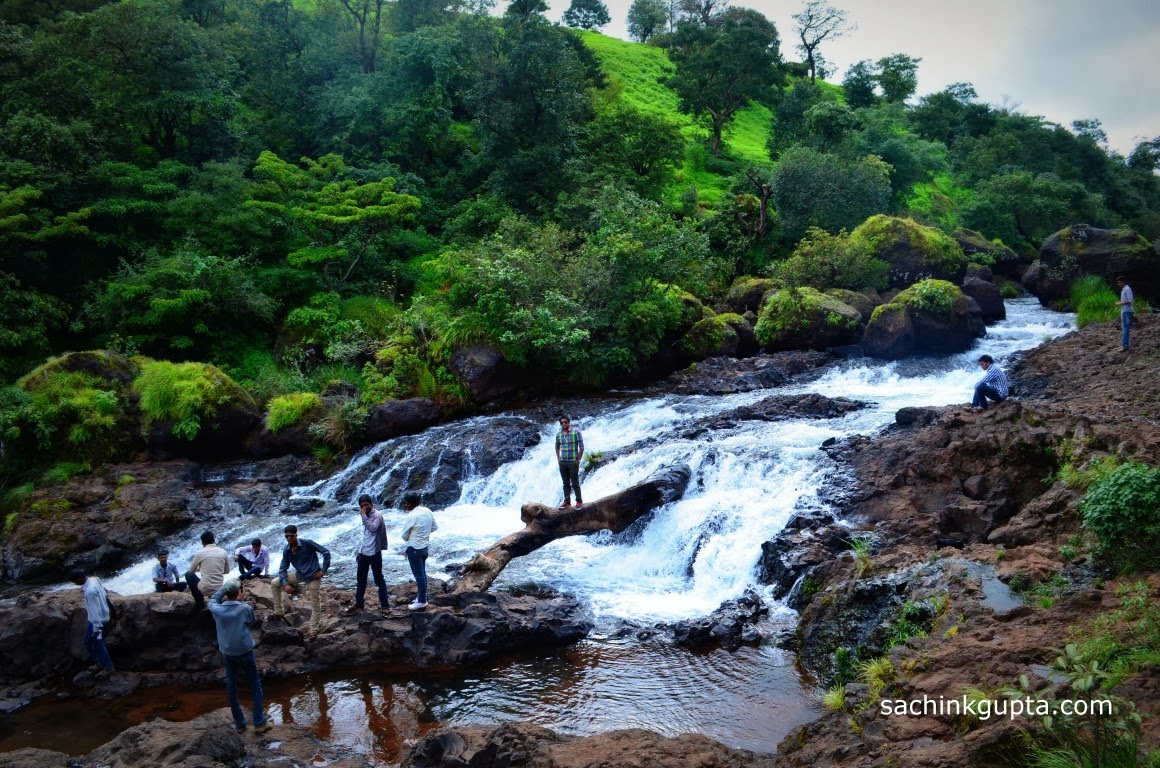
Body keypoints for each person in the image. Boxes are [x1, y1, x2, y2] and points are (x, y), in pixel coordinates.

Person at [208, 579, 271, 734]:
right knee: (255, 683)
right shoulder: (244, 608)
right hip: (244, 651)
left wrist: (223, 588)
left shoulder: (217, 608)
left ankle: (240, 724)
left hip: (227, 652)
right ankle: (259, 722)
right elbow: (251, 623)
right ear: (239, 592)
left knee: (231, 685)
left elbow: (212, 600)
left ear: (226, 594)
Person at [271, 525, 331, 635]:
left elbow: (326, 552)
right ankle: (279, 611)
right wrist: (285, 584)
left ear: (296, 535)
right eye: (287, 536)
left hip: (314, 576)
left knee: (315, 601)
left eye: (291, 536)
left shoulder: (307, 543)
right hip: (300, 575)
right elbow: (283, 567)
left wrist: (323, 570)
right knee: (275, 582)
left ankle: (313, 629)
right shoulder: (287, 550)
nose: (289, 538)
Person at [69, 568, 114, 674]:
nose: (74, 584)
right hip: (100, 618)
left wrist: (97, 627)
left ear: (80, 578)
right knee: (88, 641)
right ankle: (100, 663)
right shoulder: (94, 579)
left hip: (98, 622)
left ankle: (108, 667)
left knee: (98, 643)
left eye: (75, 581)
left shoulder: (90, 591)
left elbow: (95, 610)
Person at [351, 494, 390, 615]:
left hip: (375, 552)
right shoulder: (366, 515)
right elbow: (365, 535)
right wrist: (359, 551)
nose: (364, 507)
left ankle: (385, 606)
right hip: (364, 552)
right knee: (361, 579)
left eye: (366, 505)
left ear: (371, 504)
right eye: (362, 506)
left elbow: (373, 528)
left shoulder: (377, 515)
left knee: (379, 579)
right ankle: (359, 603)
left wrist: (362, 515)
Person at [399, 492, 437, 610]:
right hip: (424, 548)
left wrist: (415, 536)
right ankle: (422, 597)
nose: (405, 505)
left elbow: (404, 536)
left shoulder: (411, 516)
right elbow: (435, 527)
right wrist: (423, 534)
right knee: (422, 574)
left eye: (406, 503)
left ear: (412, 503)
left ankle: (421, 601)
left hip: (414, 549)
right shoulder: (427, 511)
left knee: (419, 576)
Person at [186, 530, 231, 610]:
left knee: (188, 575)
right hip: (219, 588)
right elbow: (227, 571)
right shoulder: (223, 552)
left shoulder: (199, 553)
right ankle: (214, 599)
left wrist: (200, 568)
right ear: (214, 540)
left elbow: (191, 571)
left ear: (202, 542)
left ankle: (200, 602)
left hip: (204, 589)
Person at [555, 415, 585, 510]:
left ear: (569, 422)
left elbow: (582, 447)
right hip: (562, 462)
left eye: (565, 422)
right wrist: (558, 458)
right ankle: (567, 501)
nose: (564, 424)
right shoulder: (559, 434)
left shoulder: (576, 433)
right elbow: (557, 446)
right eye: (562, 422)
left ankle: (579, 501)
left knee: (575, 483)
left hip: (573, 462)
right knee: (565, 483)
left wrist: (578, 459)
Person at [1116, 276, 1134, 351]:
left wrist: (1120, 303)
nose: (1118, 284)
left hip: (1127, 311)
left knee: (1125, 328)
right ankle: (1124, 345)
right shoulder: (1124, 290)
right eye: (1118, 283)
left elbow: (1130, 300)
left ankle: (1125, 346)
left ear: (1124, 282)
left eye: (1120, 282)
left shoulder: (1127, 289)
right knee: (1124, 328)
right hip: (1124, 311)